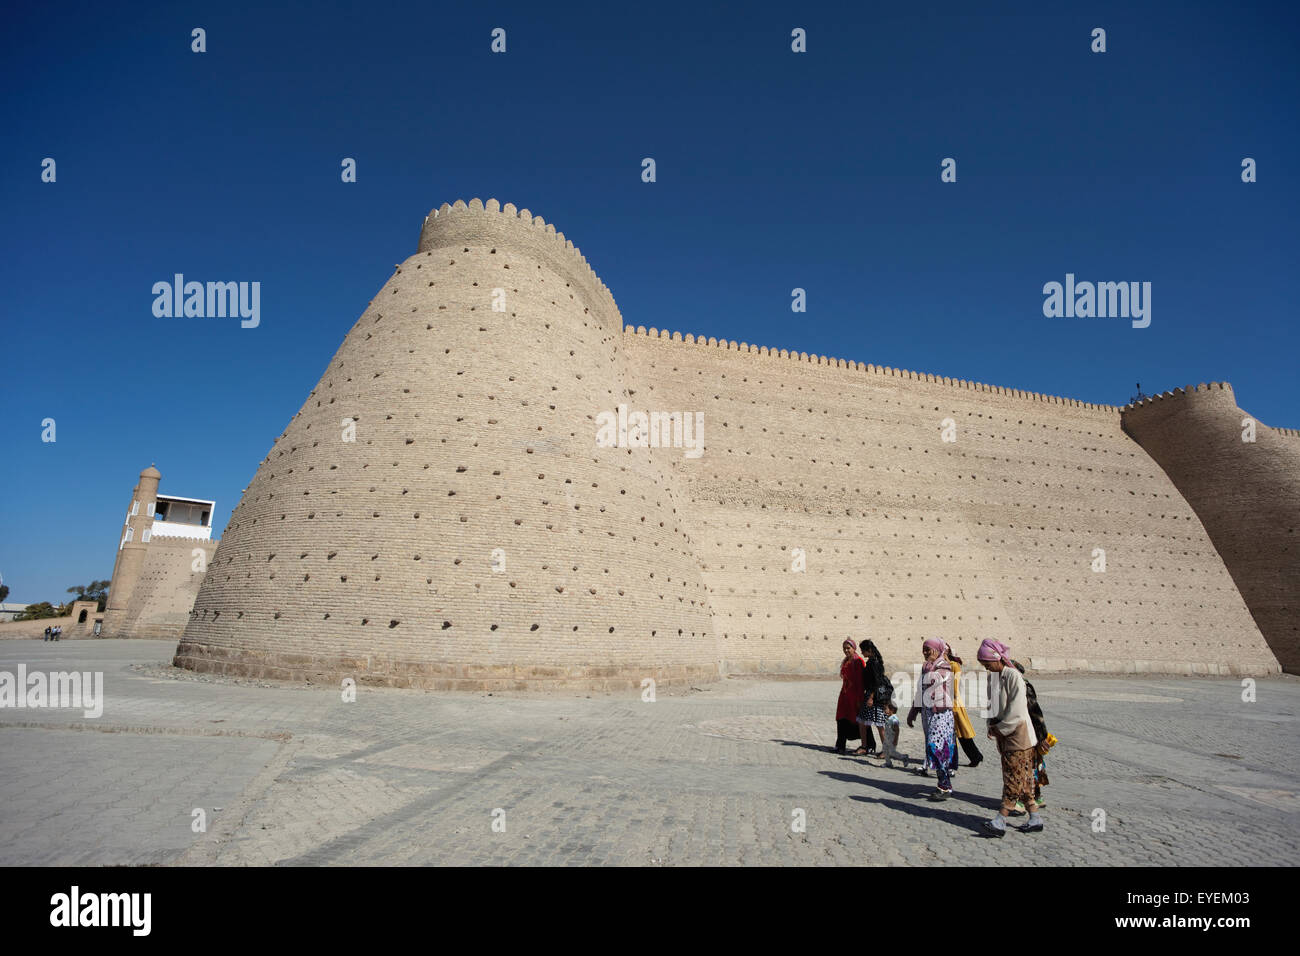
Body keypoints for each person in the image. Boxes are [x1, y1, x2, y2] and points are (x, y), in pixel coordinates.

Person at [977, 639, 1044, 836]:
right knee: (1022, 779)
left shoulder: (1014, 676)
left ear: (997, 658)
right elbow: (991, 705)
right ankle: (1035, 818)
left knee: (1013, 777)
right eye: (983, 664)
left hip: (1019, 735)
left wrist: (1000, 728)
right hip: (1004, 735)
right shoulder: (993, 678)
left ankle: (1001, 819)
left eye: (987, 662)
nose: (986, 667)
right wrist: (991, 725)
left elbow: (1017, 711)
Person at [907, 638, 955, 800]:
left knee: (935, 747)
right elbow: (921, 689)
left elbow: (937, 687)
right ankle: (943, 784)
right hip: (928, 713)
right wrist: (914, 711)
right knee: (933, 747)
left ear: (938, 650)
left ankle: (945, 786)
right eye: (924, 649)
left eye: (929, 649)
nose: (926, 652)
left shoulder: (944, 667)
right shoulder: (926, 667)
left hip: (941, 714)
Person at [1010, 659, 1055, 812]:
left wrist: (1042, 737)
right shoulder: (1013, 685)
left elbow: (1035, 712)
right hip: (1022, 732)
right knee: (1032, 765)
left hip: (1029, 733)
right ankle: (1036, 797)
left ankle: (1024, 801)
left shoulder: (1023, 686)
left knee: (1027, 766)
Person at [945, 646, 983, 770]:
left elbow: (955, 686)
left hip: (953, 704)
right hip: (950, 702)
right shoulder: (947, 665)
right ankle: (974, 756)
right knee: (957, 733)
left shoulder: (953, 665)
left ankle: (975, 756)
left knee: (962, 733)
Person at [855, 639, 891, 756]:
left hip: (875, 698)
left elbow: (877, 682)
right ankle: (864, 746)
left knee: (880, 725)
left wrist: (871, 697)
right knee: (863, 722)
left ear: (869, 650)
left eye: (863, 650)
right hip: (872, 696)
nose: (862, 653)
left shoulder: (873, 663)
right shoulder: (873, 661)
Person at [834, 638, 866, 754]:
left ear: (854, 648)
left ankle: (869, 744)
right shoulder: (846, 661)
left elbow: (860, 682)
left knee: (858, 720)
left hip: (854, 697)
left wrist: (859, 699)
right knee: (841, 718)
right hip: (844, 696)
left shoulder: (858, 661)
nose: (846, 650)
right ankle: (840, 745)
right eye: (844, 648)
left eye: (848, 648)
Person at [881, 701, 909, 768]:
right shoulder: (888, 717)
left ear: (892, 710)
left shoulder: (894, 719)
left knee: (892, 752)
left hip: (892, 739)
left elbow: (897, 730)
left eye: (885, 709)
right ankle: (888, 763)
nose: (884, 710)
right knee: (885, 750)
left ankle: (904, 757)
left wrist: (895, 740)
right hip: (887, 738)